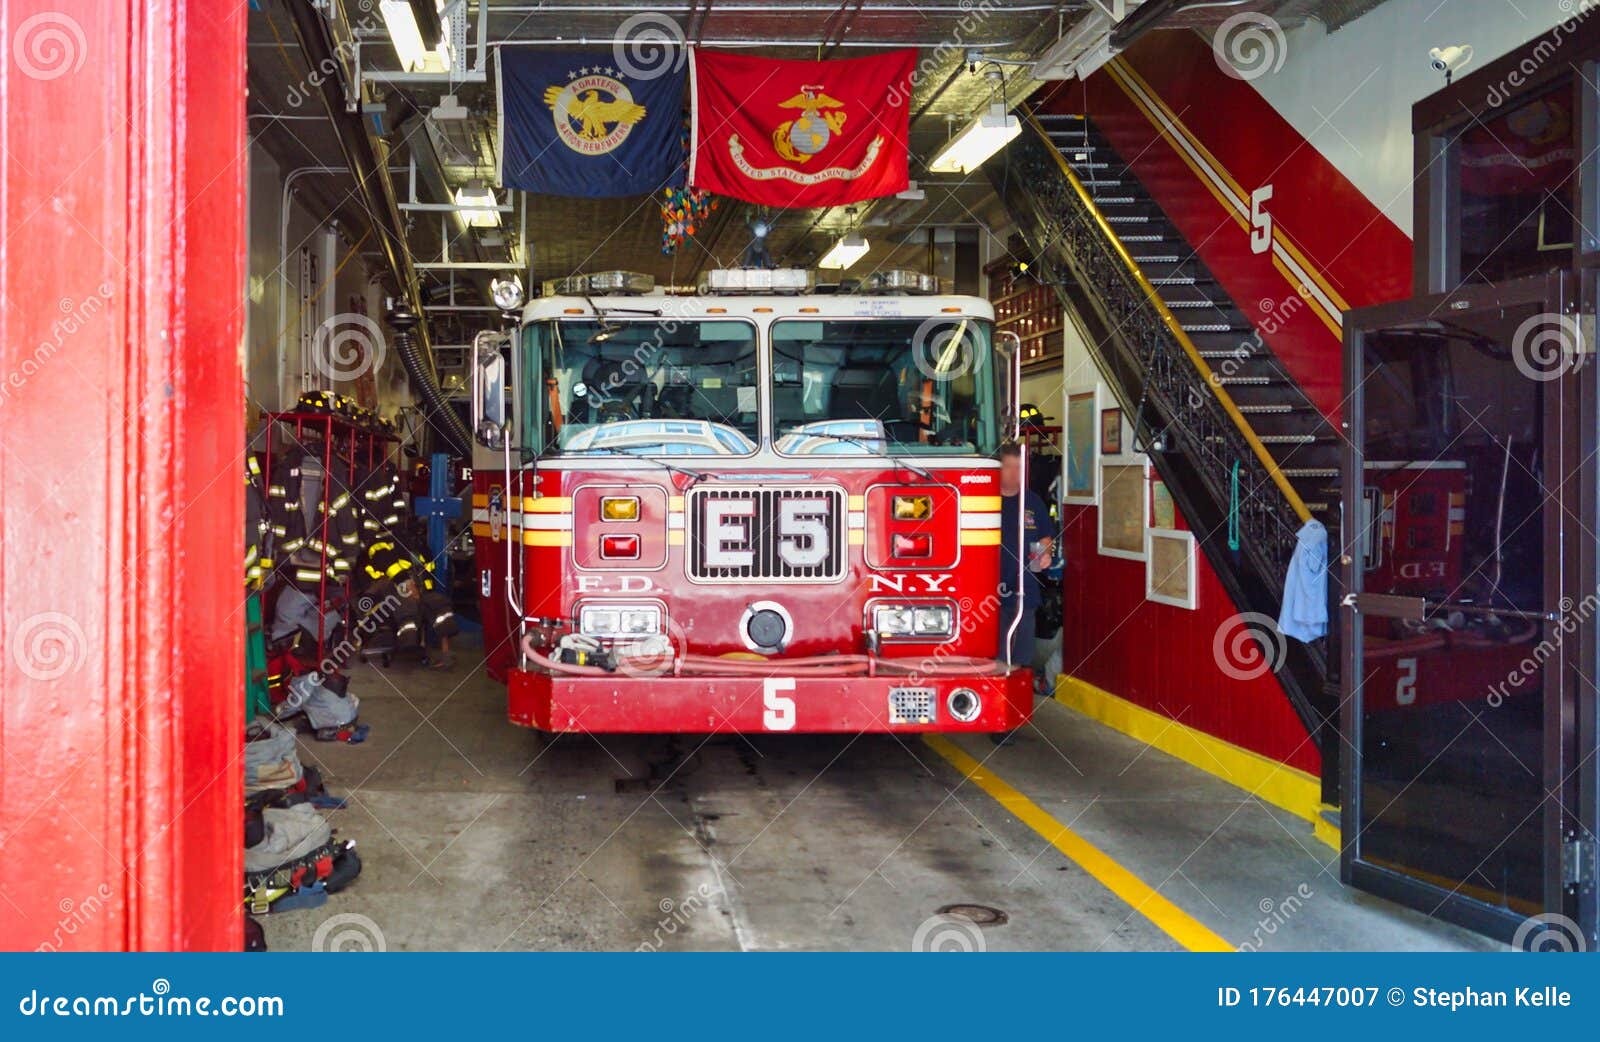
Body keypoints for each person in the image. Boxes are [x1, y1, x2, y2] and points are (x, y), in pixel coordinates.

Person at [997, 440, 1057, 686]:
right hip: (990, 592)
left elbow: (1045, 537)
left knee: (1020, 655)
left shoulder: (1032, 501)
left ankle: (1011, 706)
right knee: (996, 654)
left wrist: (1045, 553)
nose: (1014, 473)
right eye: (1009, 467)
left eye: (1019, 467)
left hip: (1024, 590)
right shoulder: (983, 498)